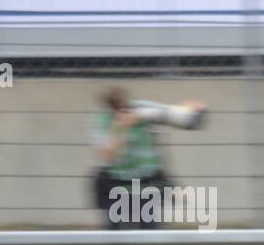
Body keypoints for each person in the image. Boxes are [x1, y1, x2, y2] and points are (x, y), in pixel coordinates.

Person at [88, 88, 206, 229]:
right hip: (116, 184)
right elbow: (107, 155)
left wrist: (189, 109)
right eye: (117, 110)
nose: (124, 112)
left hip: (146, 182)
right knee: (115, 232)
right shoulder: (100, 120)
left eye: (125, 107)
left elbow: (170, 114)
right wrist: (121, 129)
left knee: (149, 229)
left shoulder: (142, 109)